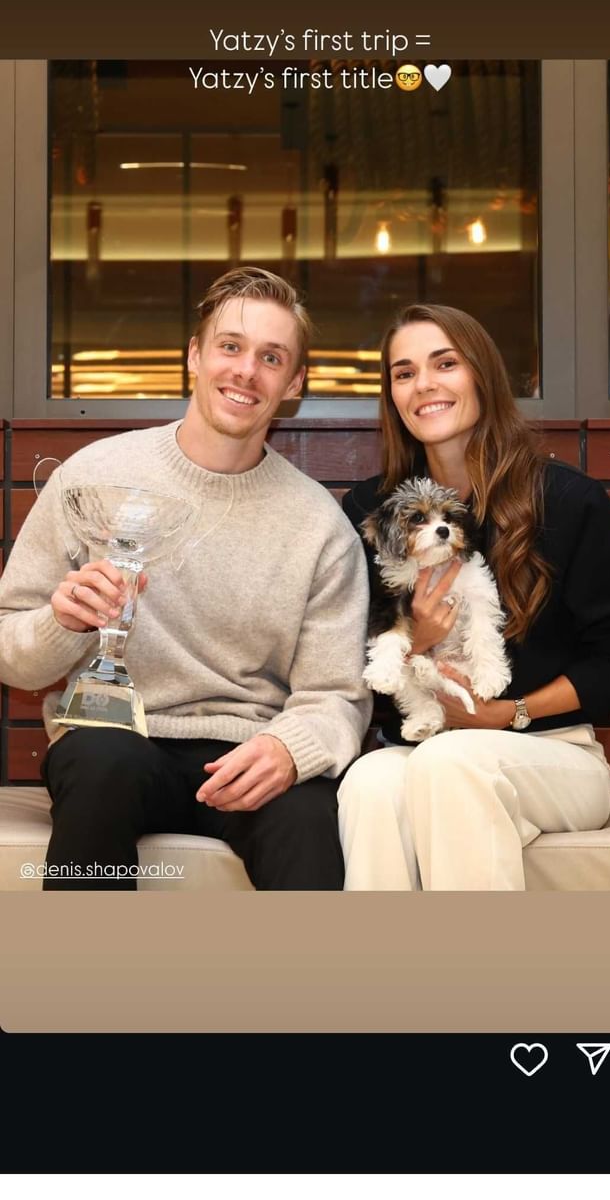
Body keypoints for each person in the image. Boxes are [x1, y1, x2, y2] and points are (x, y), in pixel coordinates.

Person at [0, 267, 372, 890]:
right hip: (114, 740)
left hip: (250, 748)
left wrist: (290, 751)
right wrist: (62, 623)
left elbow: (336, 693)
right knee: (100, 764)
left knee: (310, 819)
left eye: (271, 357)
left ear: (294, 383)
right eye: (230, 346)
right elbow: (13, 654)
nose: (246, 371)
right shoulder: (94, 475)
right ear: (196, 356)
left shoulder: (319, 524)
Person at [338, 303, 610, 890]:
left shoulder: (568, 502)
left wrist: (510, 713)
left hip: (553, 750)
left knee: (452, 767)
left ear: (482, 375)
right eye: (403, 372)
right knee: (370, 784)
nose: (423, 384)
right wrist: (416, 638)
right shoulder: (370, 511)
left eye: (444, 363)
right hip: (425, 739)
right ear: (392, 396)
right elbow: (352, 656)